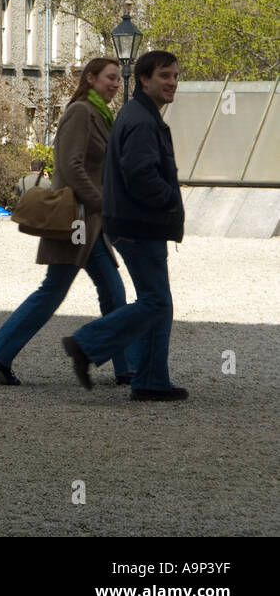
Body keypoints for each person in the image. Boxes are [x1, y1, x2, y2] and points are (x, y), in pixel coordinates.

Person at [0, 57, 133, 386]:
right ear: (90, 78)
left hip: (88, 223)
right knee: (55, 290)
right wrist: (101, 203)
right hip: (76, 221)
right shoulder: (81, 112)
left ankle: (127, 367)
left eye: (118, 79)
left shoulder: (100, 114)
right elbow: (70, 166)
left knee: (113, 293)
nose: (116, 84)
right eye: (110, 78)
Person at [63, 50, 188, 402]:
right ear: (145, 80)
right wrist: (170, 201)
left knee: (156, 301)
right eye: (165, 75)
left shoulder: (139, 115)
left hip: (135, 222)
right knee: (156, 302)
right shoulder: (142, 120)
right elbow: (140, 174)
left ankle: (150, 380)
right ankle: (86, 343)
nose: (172, 82)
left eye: (175, 76)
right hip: (139, 224)